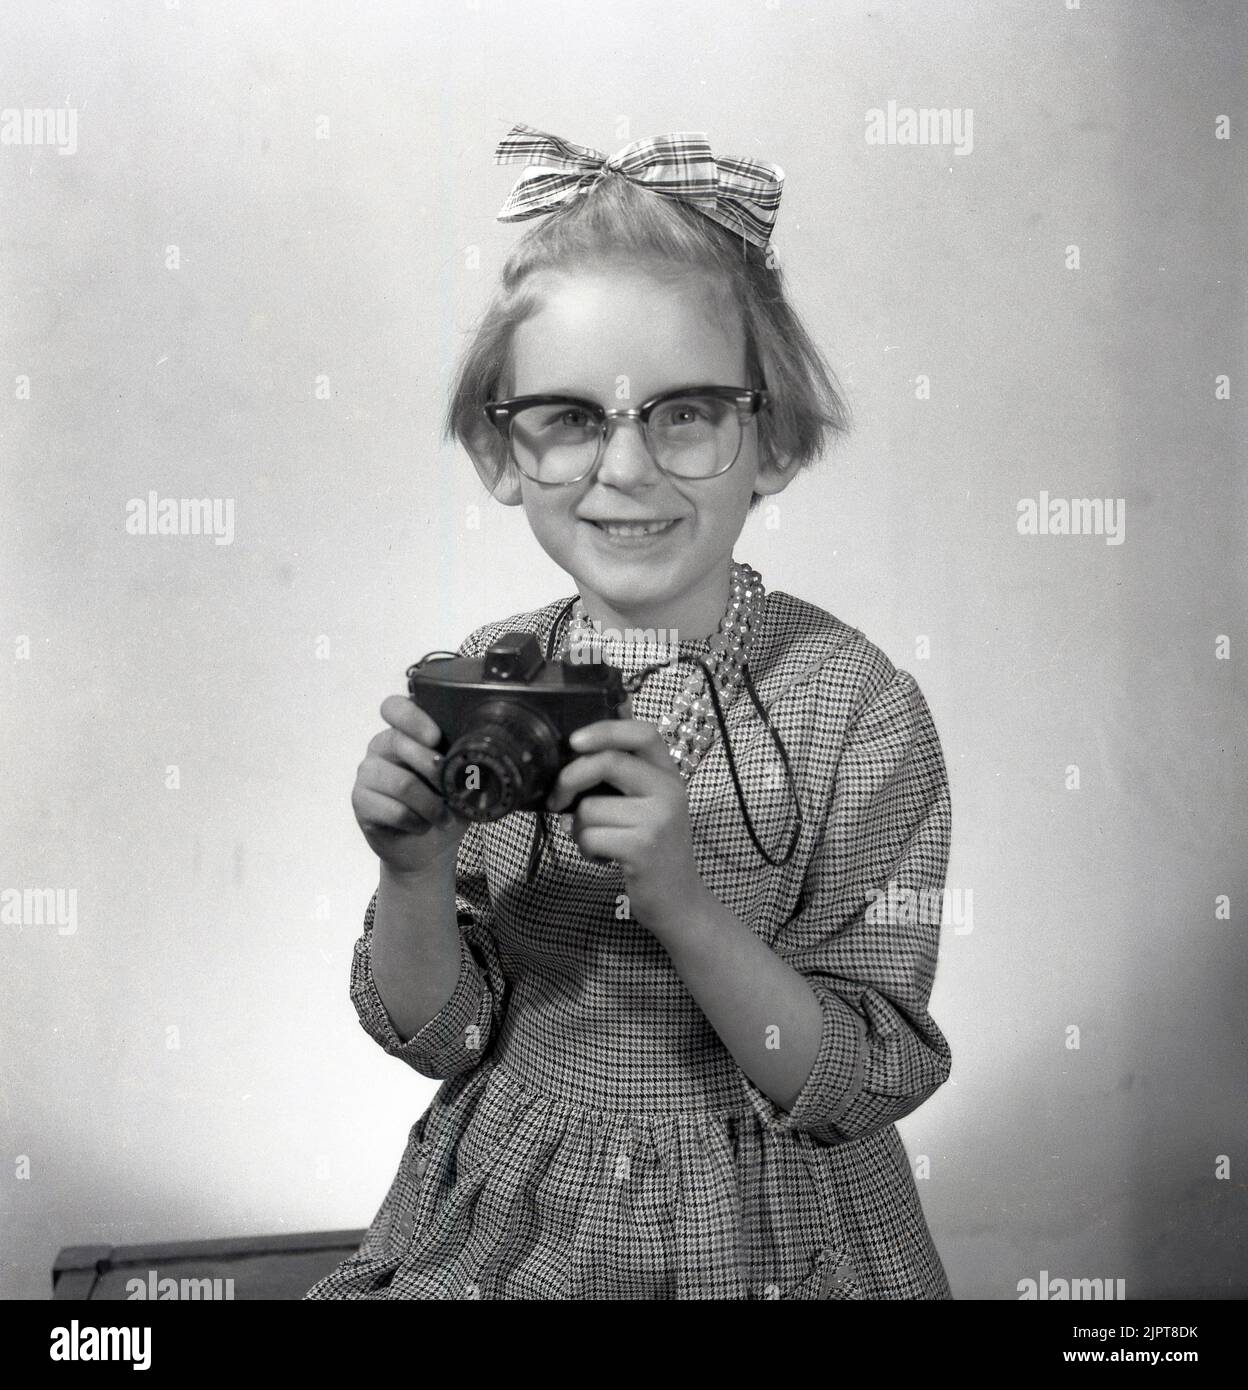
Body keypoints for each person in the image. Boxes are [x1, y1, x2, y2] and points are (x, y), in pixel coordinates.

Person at [304, 123, 954, 1300]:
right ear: (502, 457)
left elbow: (861, 1080)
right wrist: (411, 875)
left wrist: (686, 907)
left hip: (773, 1228)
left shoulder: (858, 716)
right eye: (568, 419)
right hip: (525, 1216)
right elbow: (442, 1039)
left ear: (774, 439)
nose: (628, 468)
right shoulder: (490, 683)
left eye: (685, 411)